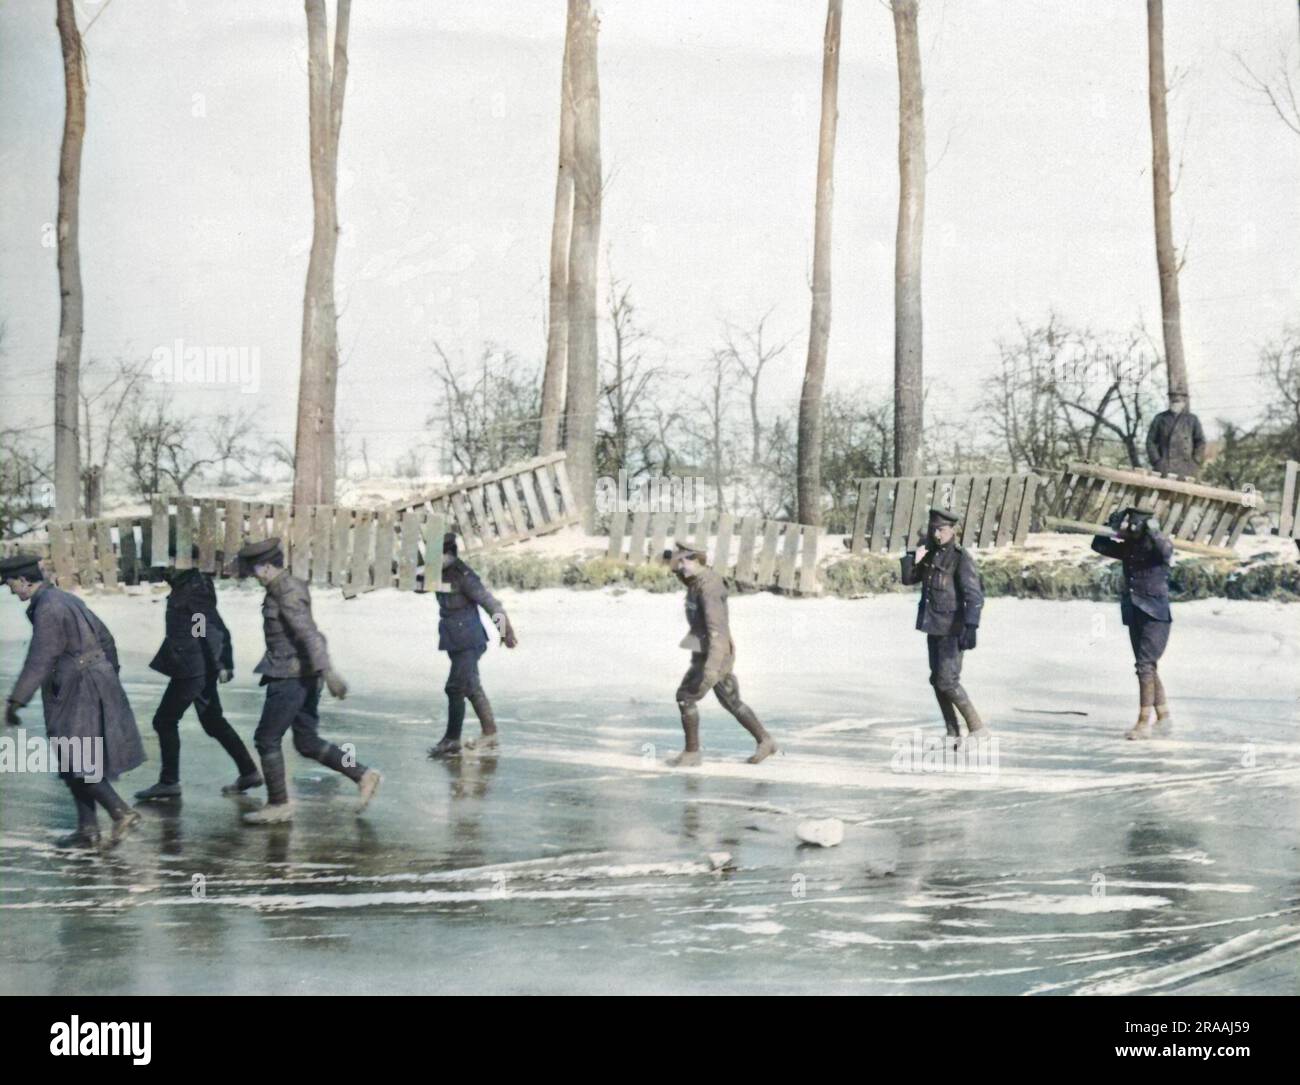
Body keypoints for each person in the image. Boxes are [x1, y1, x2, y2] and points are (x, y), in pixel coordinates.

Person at [2, 552, 145, 849]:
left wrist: (16, 700)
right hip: (89, 681)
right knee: (77, 755)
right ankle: (87, 830)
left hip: (78, 687)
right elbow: (105, 638)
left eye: (10, 583)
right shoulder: (63, 599)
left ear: (25, 581)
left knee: (76, 756)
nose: (9, 588)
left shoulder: (49, 608)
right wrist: (108, 676)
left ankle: (121, 812)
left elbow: (41, 658)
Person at [233, 537, 381, 823]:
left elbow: (308, 632)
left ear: (264, 568)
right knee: (306, 741)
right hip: (301, 673)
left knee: (267, 739)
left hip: (291, 675)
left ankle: (279, 803)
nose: (253, 576)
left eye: (254, 569)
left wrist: (328, 670)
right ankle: (363, 775)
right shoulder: (284, 587)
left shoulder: (285, 591)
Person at [135, 564, 261, 801]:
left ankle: (169, 782)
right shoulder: (187, 584)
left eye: (168, 563)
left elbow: (210, 627)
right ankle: (249, 772)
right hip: (195, 665)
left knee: (164, 720)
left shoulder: (194, 588)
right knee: (213, 721)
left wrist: (223, 662)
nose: (163, 569)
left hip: (192, 668)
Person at [663, 541, 776, 767]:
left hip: (714, 654)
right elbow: (682, 574)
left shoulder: (709, 588)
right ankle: (766, 741)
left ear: (696, 560)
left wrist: (712, 667)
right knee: (731, 700)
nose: (679, 566)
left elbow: (717, 630)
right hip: (708, 652)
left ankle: (692, 753)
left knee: (686, 697)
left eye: (683, 561)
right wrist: (670, 558)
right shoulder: (697, 579)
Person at [899, 508, 987, 743]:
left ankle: (977, 729)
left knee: (947, 681)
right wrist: (912, 553)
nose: (937, 534)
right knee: (936, 680)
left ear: (952, 530)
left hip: (953, 629)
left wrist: (971, 626)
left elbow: (974, 595)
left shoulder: (960, 558)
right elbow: (909, 579)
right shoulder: (930, 553)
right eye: (934, 529)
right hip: (934, 626)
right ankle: (952, 733)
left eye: (942, 529)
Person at [428, 532, 517, 759]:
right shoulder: (437, 573)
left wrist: (505, 630)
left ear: (449, 554)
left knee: (454, 687)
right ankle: (490, 733)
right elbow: (417, 585)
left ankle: (452, 740)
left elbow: (490, 603)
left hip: (470, 641)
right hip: (453, 639)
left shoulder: (463, 575)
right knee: (470, 686)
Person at [1091, 507, 1175, 740]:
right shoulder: (1131, 547)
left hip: (1154, 613)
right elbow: (1099, 546)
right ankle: (1163, 715)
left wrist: (1155, 532)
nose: (1131, 528)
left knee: (1145, 665)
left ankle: (1143, 723)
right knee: (1146, 665)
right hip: (1134, 609)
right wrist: (1109, 525)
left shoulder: (1157, 547)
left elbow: (1166, 550)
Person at [1145, 392, 1206, 478]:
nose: (1175, 404)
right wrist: (1157, 461)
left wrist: (1195, 461)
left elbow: (1200, 442)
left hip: (1187, 469)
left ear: (1183, 403)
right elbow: (1150, 441)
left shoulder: (1192, 420)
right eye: (1173, 401)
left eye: (1178, 402)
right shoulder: (1160, 418)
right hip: (1164, 467)